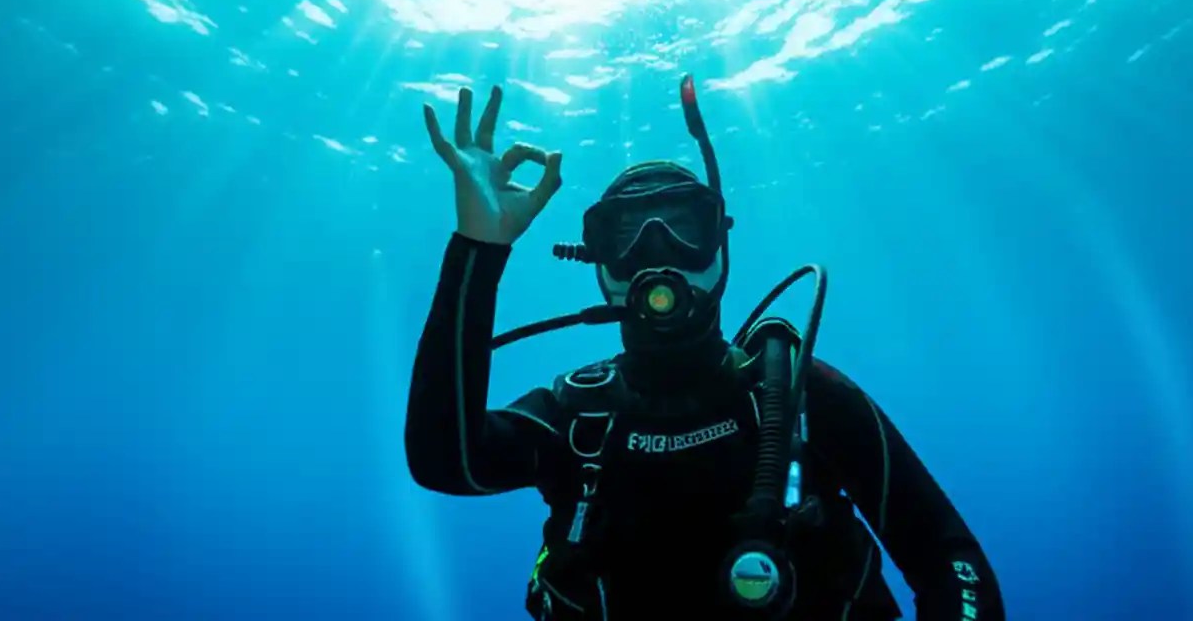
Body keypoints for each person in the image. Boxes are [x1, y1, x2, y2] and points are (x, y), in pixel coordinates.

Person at [405, 79, 1004, 621]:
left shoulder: (798, 395)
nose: (658, 253)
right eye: (627, 235)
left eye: (683, 226)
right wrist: (479, 245)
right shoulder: (574, 415)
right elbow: (442, 460)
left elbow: (950, 560)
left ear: (719, 243)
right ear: (597, 261)